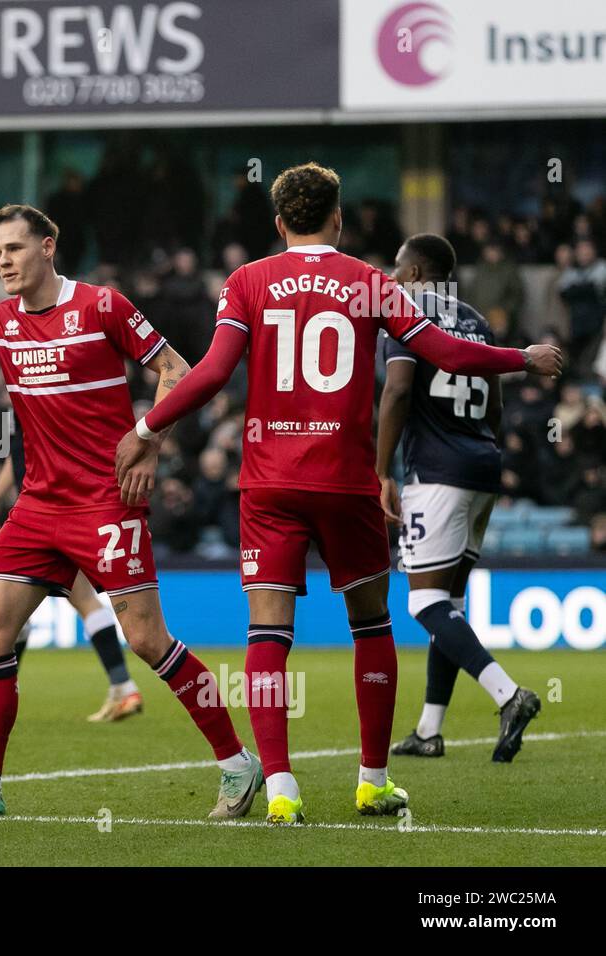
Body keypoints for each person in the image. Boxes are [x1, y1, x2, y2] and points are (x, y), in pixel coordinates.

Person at [115, 163, 563, 825]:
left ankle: (280, 790)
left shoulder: (247, 282)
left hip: (269, 483)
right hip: (347, 482)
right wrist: (522, 357)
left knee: (268, 633)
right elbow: (446, 351)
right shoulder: (370, 282)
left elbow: (211, 372)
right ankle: (373, 782)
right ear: (339, 218)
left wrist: (148, 427)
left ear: (277, 223)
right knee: (372, 625)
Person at [0, 204, 261, 820]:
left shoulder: (103, 306)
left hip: (106, 501)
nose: (4, 262)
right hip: (38, 505)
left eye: (14, 249)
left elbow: (176, 370)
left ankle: (237, 764)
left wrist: (149, 439)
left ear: (48, 247)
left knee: (148, 641)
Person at [376, 234, 541, 762]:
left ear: (418, 269)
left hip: (436, 472)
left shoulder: (404, 313)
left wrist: (382, 472)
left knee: (424, 601)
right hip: (481, 466)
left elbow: (398, 390)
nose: (393, 276)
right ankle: (429, 730)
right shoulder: (474, 319)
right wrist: (483, 448)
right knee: (450, 604)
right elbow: (494, 397)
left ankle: (509, 695)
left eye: (400, 267)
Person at [0, 423, 144, 723]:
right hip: (58, 512)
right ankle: (121, 686)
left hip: (48, 517)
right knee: (57, 608)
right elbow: (18, 454)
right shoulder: (31, 397)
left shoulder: (34, 389)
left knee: (4, 613)